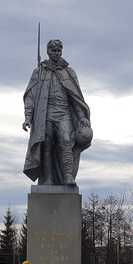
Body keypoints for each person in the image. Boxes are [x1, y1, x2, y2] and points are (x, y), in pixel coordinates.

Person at [22, 39, 92, 186]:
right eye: (53, 51)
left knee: (66, 141)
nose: (56, 53)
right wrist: (28, 117)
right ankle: (48, 179)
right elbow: (31, 96)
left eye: (59, 51)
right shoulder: (39, 71)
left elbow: (76, 97)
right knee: (46, 144)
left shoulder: (69, 72)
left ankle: (68, 176)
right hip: (45, 113)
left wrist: (81, 117)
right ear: (48, 52)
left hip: (63, 111)